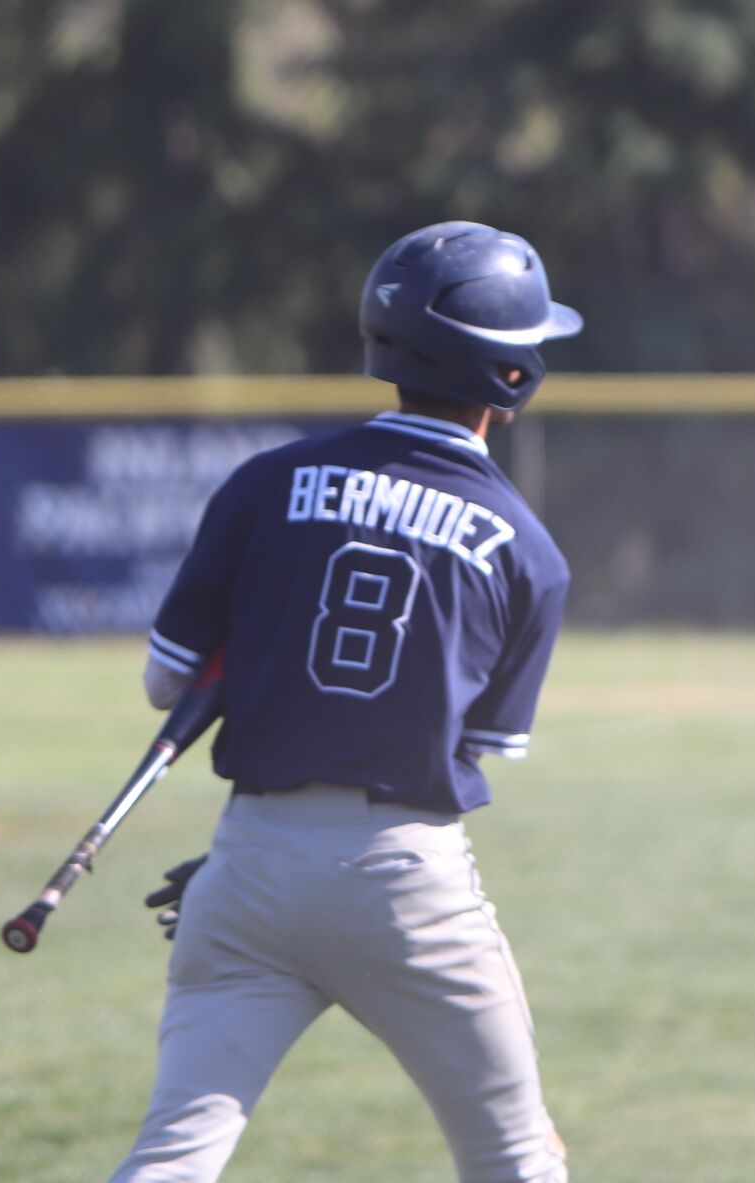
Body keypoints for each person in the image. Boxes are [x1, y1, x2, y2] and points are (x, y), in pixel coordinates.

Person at [112, 221, 580, 1182]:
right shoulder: (528, 548)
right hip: (403, 877)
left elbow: (168, 681)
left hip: (244, 866)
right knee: (516, 1158)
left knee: (171, 1158)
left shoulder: (262, 483)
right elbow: (466, 737)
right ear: (510, 376)